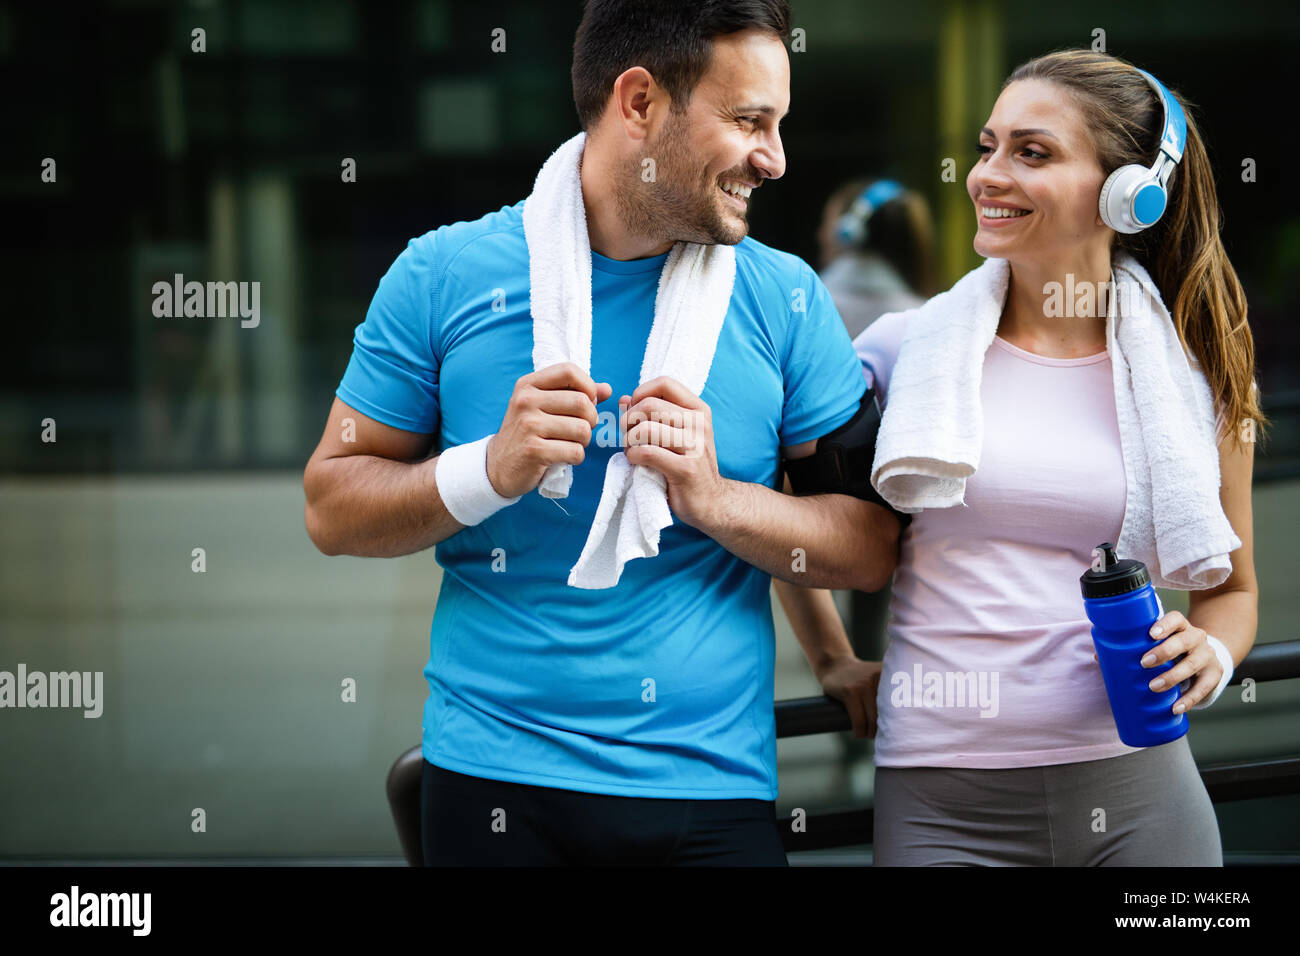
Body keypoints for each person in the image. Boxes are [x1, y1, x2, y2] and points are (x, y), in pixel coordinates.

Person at [302, 0, 902, 867]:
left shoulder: (789, 299)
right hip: (493, 781)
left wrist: (718, 499)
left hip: (711, 790)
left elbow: (870, 545)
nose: (774, 159)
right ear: (638, 102)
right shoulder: (438, 276)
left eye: (778, 124)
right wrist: (487, 470)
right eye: (748, 121)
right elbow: (331, 508)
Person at [778, 49, 1265, 865]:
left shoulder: (1193, 369)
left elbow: (1237, 590)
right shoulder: (904, 351)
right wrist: (830, 657)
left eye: (1031, 152)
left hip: (1144, 791)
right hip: (941, 807)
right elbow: (784, 503)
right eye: (987, 145)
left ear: (1127, 194)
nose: (986, 175)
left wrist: (1212, 651)